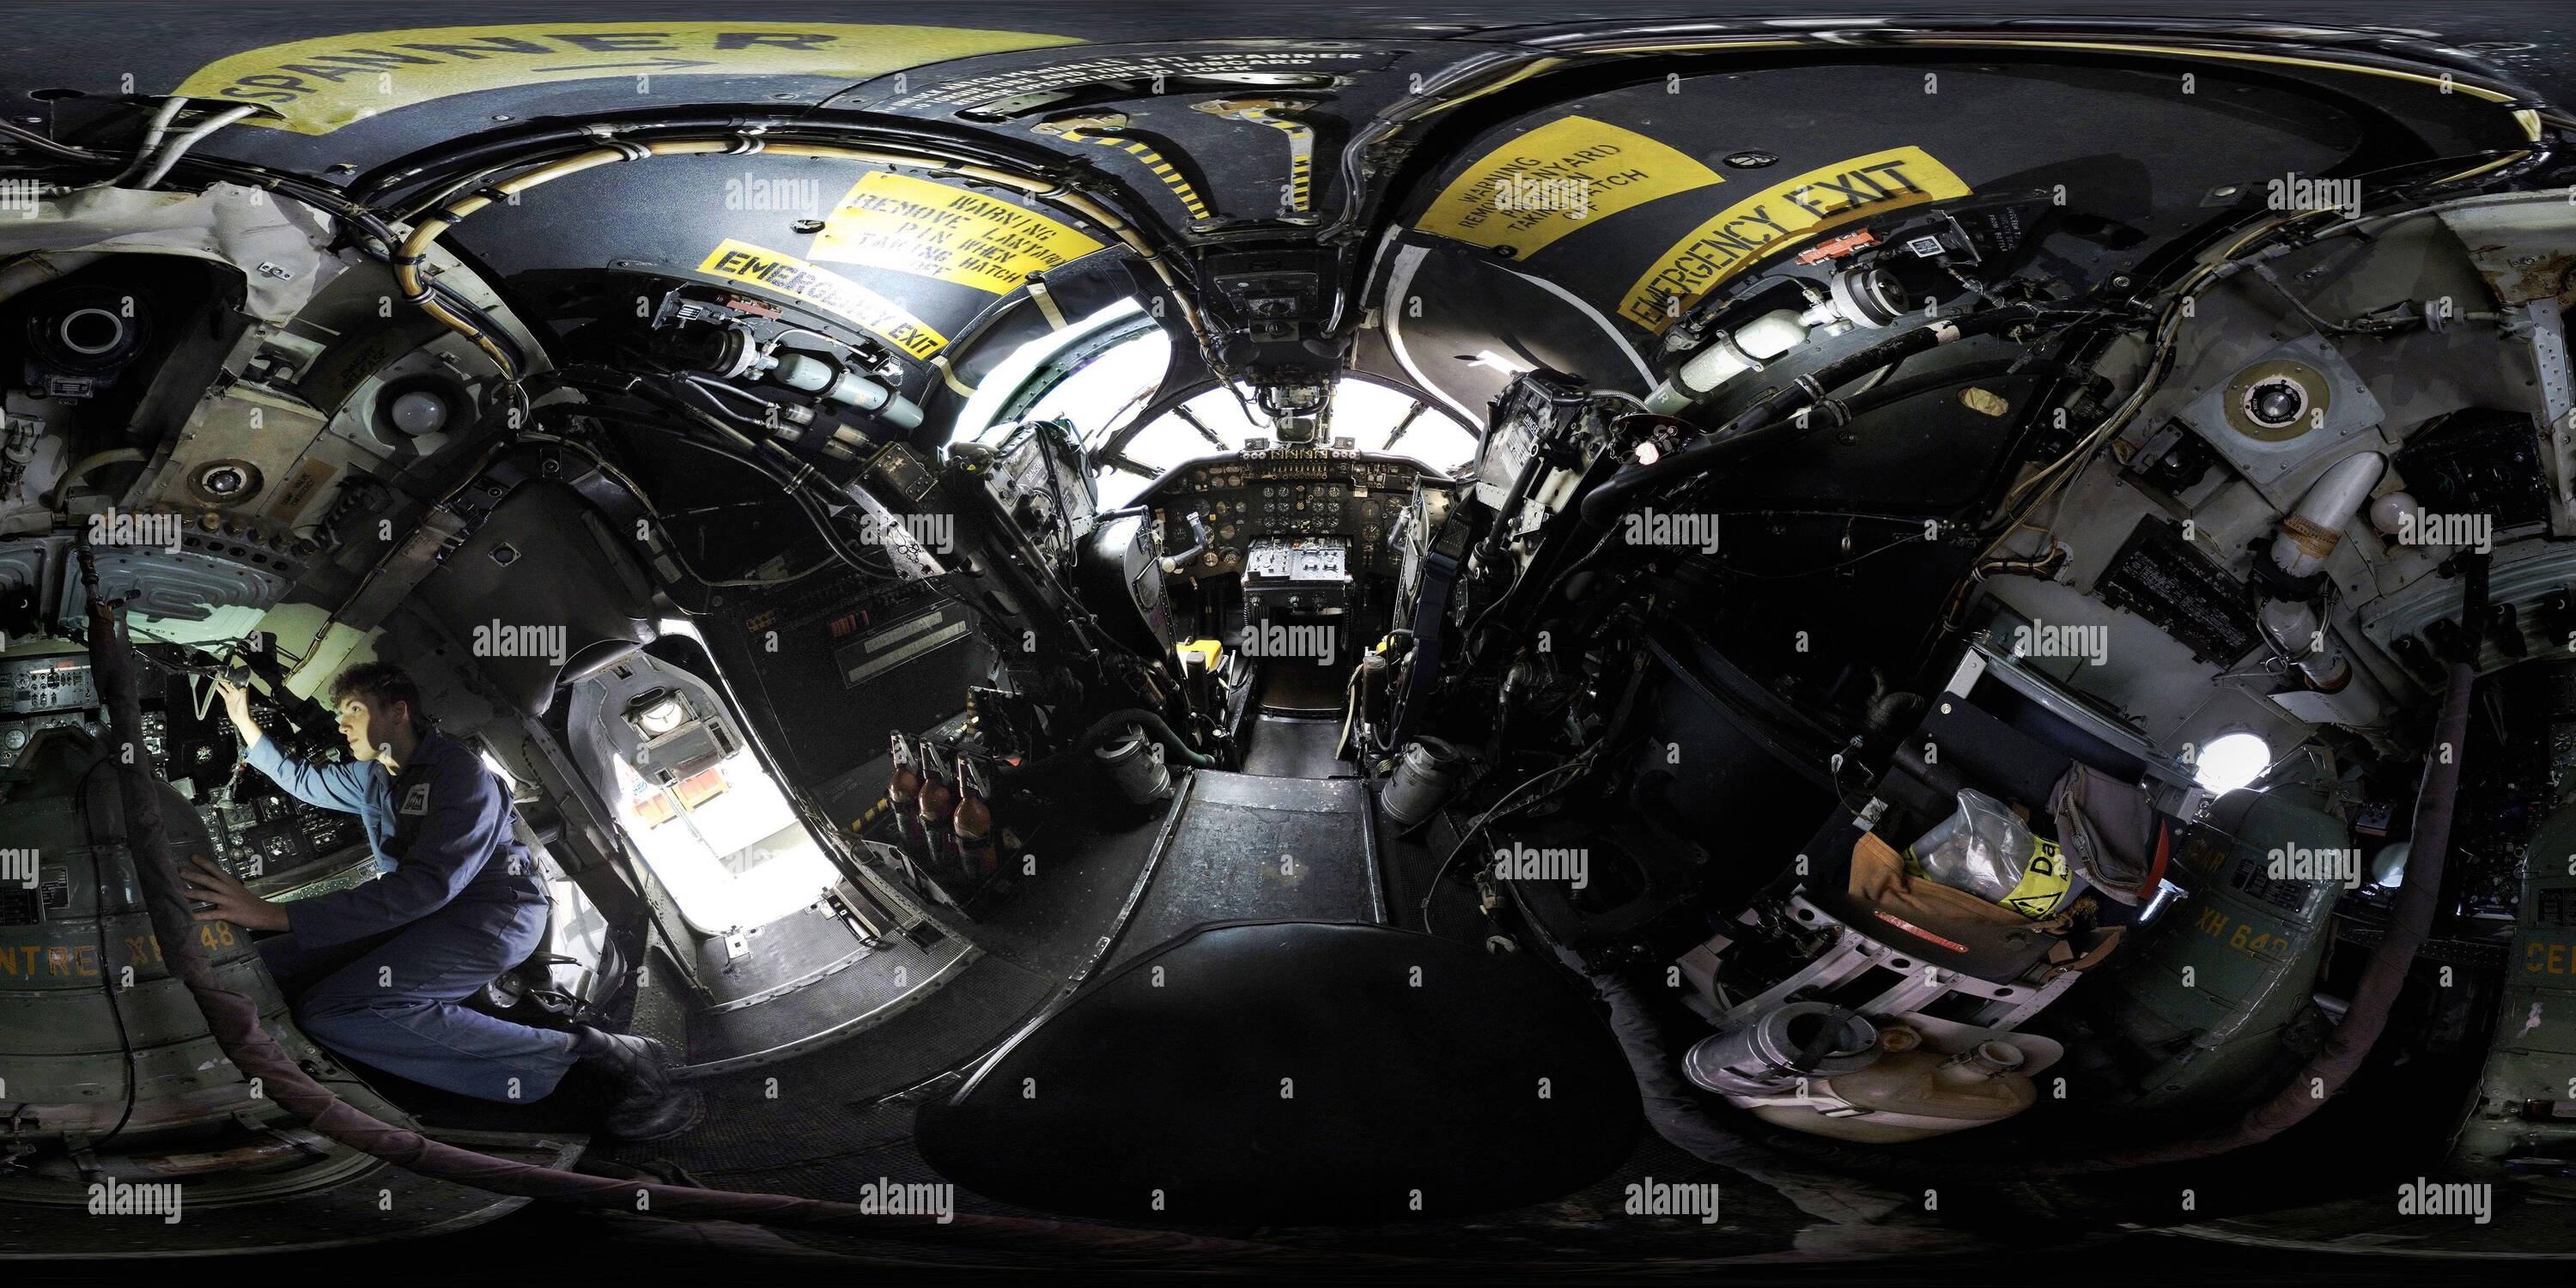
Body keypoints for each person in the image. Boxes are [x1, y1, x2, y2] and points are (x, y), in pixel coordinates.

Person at [181, 661, 702, 1140]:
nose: (342, 725)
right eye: (341, 714)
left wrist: (273, 913)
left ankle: (596, 1056)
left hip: (493, 912)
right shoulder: (373, 774)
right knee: (257, 966)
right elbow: (305, 782)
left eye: (354, 711)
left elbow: (427, 885)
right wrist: (243, 721)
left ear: (398, 711)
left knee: (336, 1009)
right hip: (424, 915)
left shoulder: (460, 774)